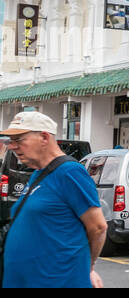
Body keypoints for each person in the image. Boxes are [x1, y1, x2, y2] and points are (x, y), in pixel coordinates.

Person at [0, 111, 106, 288]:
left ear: (44, 137)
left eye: (19, 139)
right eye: (11, 141)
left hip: (56, 281)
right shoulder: (38, 173)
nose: (12, 146)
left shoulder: (70, 172)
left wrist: (88, 268)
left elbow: (98, 227)